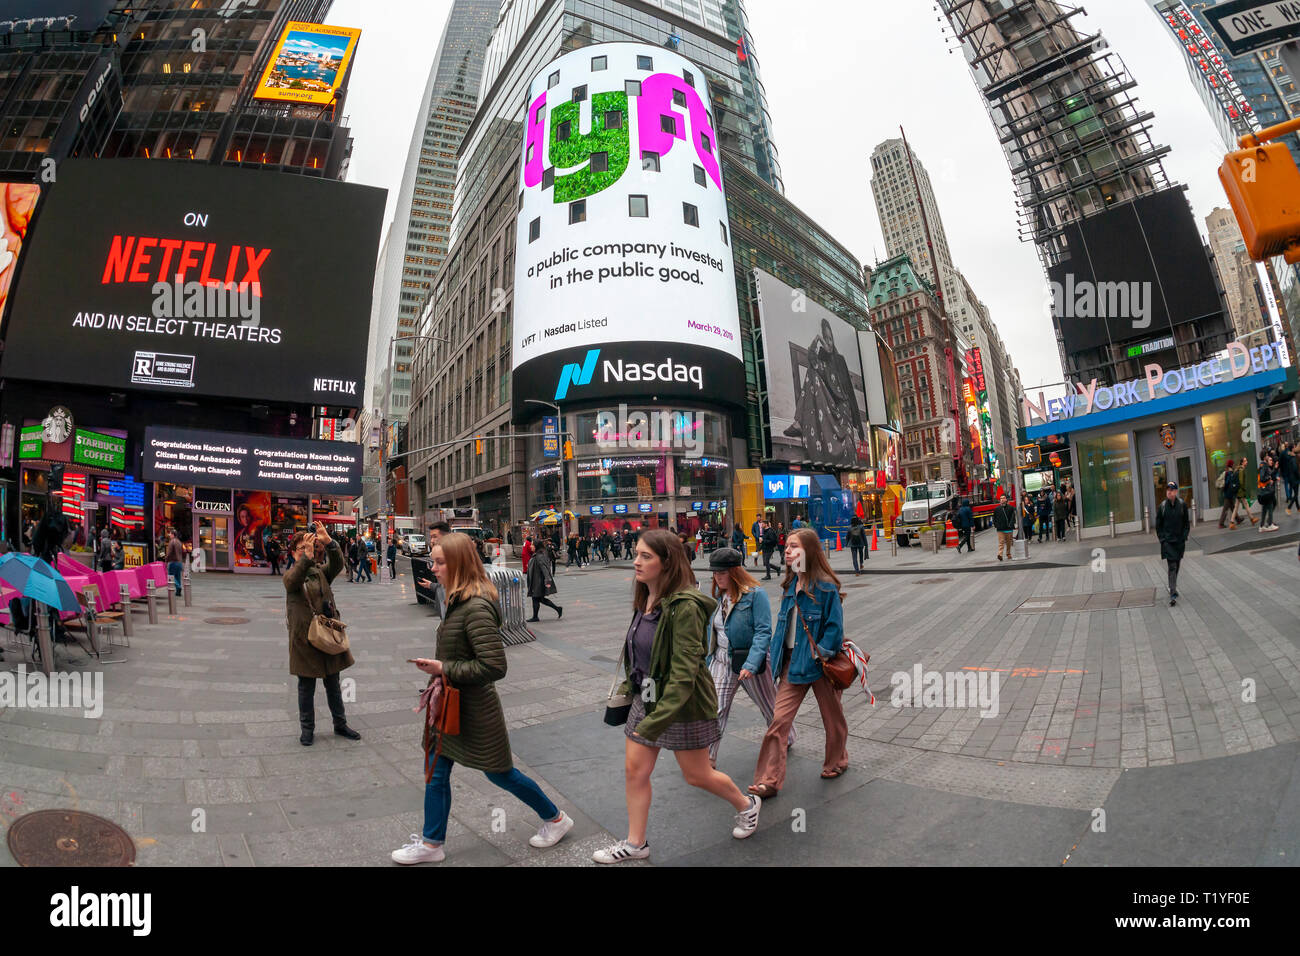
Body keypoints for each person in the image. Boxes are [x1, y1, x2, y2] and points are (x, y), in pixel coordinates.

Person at [394, 533, 573, 864]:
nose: (433, 568)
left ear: (459, 564)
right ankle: (432, 844)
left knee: (500, 773)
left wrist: (443, 667)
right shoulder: (456, 599)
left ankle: (556, 819)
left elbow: (493, 666)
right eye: (433, 561)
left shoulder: (475, 607)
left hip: (474, 709)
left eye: (440, 562)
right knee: (435, 770)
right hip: (448, 703)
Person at [593, 529, 760, 864]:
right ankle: (636, 843)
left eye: (645, 556)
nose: (636, 562)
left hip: (682, 704)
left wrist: (656, 720)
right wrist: (630, 687)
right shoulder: (645, 597)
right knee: (634, 771)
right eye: (636, 554)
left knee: (697, 775)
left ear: (667, 562)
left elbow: (684, 674)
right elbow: (638, 651)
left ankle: (747, 805)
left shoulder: (685, 606)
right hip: (647, 696)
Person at [749, 528, 848, 798]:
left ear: (809, 552)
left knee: (833, 718)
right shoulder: (790, 585)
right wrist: (773, 655)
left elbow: (834, 629)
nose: (788, 551)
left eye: (794, 547)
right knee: (779, 721)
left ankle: (837, 760)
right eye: (788, 546)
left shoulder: (825, 586)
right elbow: (783, 627)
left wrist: (822, 653)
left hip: (819, 664)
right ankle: (769, 780)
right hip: (792, 664)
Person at [704, 548, 792, 768]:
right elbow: (712, 632)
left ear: (735, 571)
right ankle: (708, 758)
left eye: (722, 573)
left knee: (770, 707)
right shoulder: (718, 596)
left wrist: (752, 664)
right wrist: (706, 660)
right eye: (715, 573)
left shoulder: (755, 594)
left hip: (751, 659)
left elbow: (763, 631)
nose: (718, 577)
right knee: (716, 707)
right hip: (722, 660)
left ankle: (787, 738)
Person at [284, 522, 360, 746]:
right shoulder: (291, 576)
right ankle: (307, 728)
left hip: (328, 636)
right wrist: (305, 557)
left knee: (334, 684)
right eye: (302, 549)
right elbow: (292, 582)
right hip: (306, 640)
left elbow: (337, 564)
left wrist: (328, 542)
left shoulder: (320, 572)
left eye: (311, 547)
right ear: (293, 553)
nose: (309, 551)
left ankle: (340, 723)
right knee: (306, 687)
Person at [1155, 482, 1190, 607]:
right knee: (1172, 566)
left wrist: (1184, 536)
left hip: (1179, 542)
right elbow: (1158, 525)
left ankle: (1172, 586)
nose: (1169, 492)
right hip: (1168, 542)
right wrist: (1162, 540)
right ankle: (1173, 593)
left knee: (1177, 564)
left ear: (1176, 492)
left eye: (1172, 490)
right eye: (1168, 490)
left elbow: (1186, 523)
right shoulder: (1163, 506)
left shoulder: (1182, 505)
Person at [525, 539, 562, 622]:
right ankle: (557, 609)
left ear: (536, 546)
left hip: (538, 582)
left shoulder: (539, 556)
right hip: (536, 581)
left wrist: (548, 580)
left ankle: (535, 617)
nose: (530, 546)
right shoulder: (537, 555)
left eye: (532, 545)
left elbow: (544, 569)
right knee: (539, 599)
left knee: (536, 598)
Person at [1258, 452, 1279, 532]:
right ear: (1264, 457)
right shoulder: (1264, 465)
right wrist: (1269, 478)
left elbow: (1269, 474)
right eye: (1267, 455)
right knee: (1270, 506)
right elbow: (1263, 478)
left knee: (1264, 509)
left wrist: (1275, 469)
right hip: (1266, 490)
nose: (1268, 456)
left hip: (1263, 491)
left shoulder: (1262, 465)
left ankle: (1261, 526)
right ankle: (1270, 524)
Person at [992, 494, 1015, 562]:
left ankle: (1008, 553)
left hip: (1008, 529)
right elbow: (994, 518)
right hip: (1000, 529)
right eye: (1001, 498)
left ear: (1006, 499)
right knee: (1001, 542)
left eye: (1003, 498)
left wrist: (1011, 524)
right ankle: (1000, 555)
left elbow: (1013, 517)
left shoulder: (1011, 508)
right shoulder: (997, 509)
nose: (1002, 499)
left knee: (1008, 543)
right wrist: (996, 525)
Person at [1218, 459, 1240, 529]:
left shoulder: (1228, 472)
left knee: (1232, 507)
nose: (1234, 465)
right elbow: (1227, 482)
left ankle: (1238, 519)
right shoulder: (1229, 473)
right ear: (1231, 465)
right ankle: (1221, 524)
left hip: (1228, 493)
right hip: (1228, 493)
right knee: (1225, 509)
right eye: (1233, 464)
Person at [165, 530, 185, 596]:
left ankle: (178, 587)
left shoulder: (172, 542)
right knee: (177, 577)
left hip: (173, 562)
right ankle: (178, 592)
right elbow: (183, 552)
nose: (169, 536)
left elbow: (169, 553)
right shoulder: (179, 542)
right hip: (179, 562)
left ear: (173, 534)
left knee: (170, 576)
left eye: (170, 534)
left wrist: (166, 560)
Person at [1283, 441, 1300, 514]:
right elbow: (1295, 469)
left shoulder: (1290, 457)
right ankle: (1288, 508)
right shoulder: (1293, 458)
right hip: (1294, 479)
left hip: (1291, 478)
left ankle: (1298, 508)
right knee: (1296, 494)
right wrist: (1299, 477)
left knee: (1295, 493)